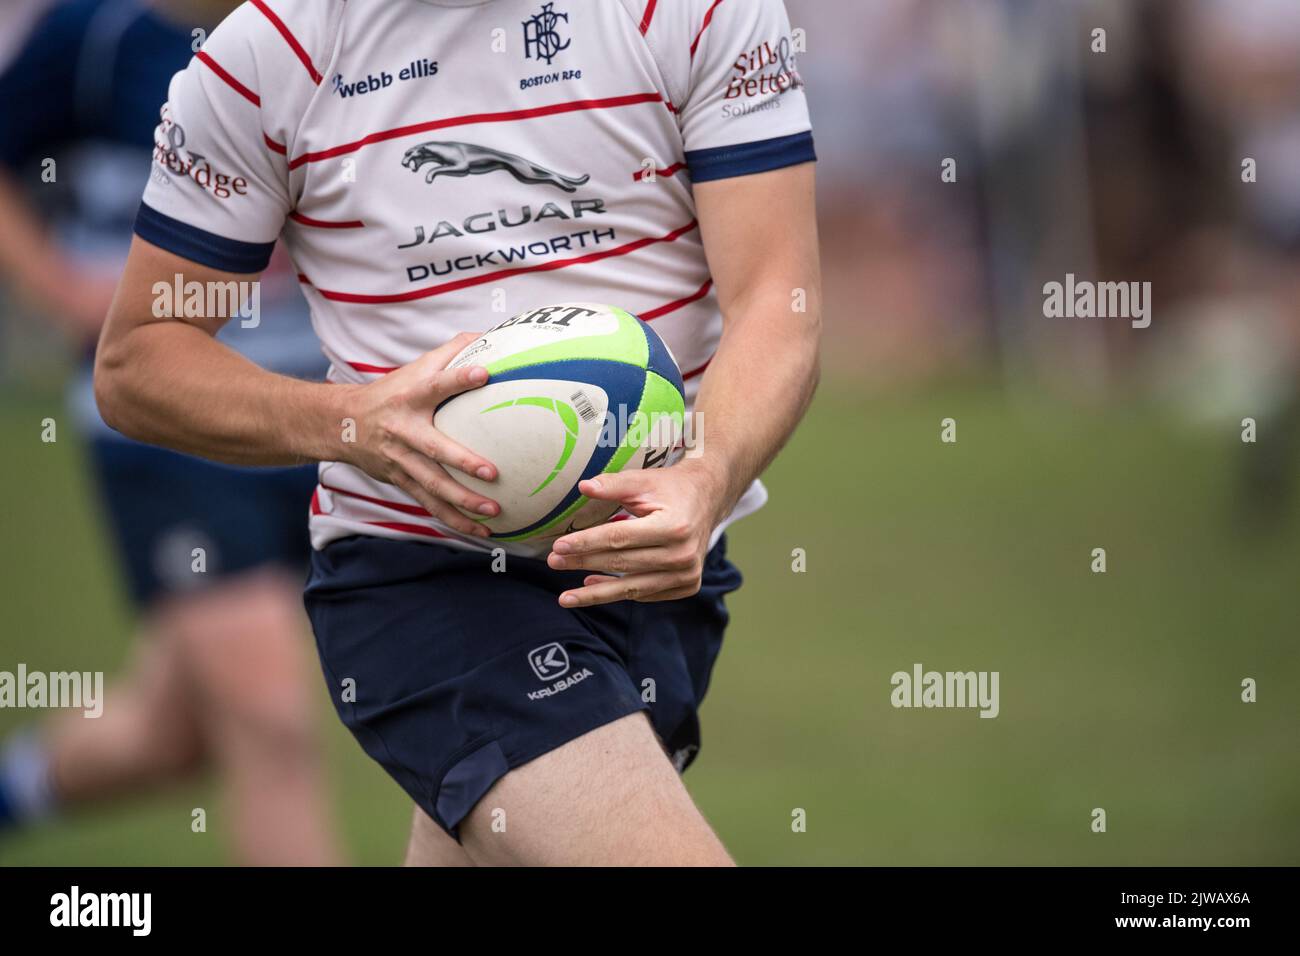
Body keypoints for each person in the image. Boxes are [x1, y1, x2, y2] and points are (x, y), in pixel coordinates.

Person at [95, 0, 821, 866]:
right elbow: (139, 359)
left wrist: (705, 478)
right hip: (423, 578)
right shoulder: (272, 54)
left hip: (651, 570)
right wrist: (353, 424)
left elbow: (780, 297)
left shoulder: (696, 12)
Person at [0, 0, 342, 865]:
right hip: (164, 424)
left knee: (176, 735)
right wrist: (64, 291)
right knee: (269, 721)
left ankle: (15, 789)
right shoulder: (96, 36)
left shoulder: (342, 23)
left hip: (339, 413)